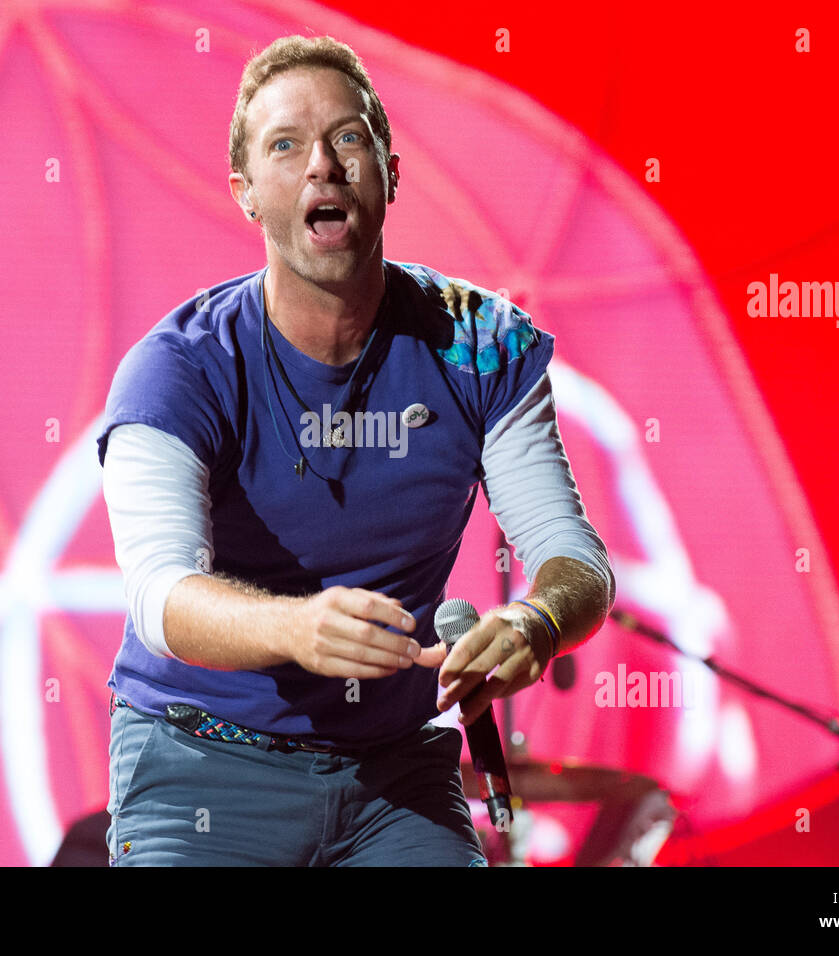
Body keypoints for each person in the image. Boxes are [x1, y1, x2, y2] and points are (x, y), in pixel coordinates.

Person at [97, 35, 615, 867]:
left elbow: (575, 558)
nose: (322, 168)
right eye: (285, 145)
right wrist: (296, 627)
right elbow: (160, 598)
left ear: (391, 173)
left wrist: (536, 621)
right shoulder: (179, 366)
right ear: (247, 195)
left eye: (348, 138)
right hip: (201, 765)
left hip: (395, 775)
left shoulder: (481, 346)